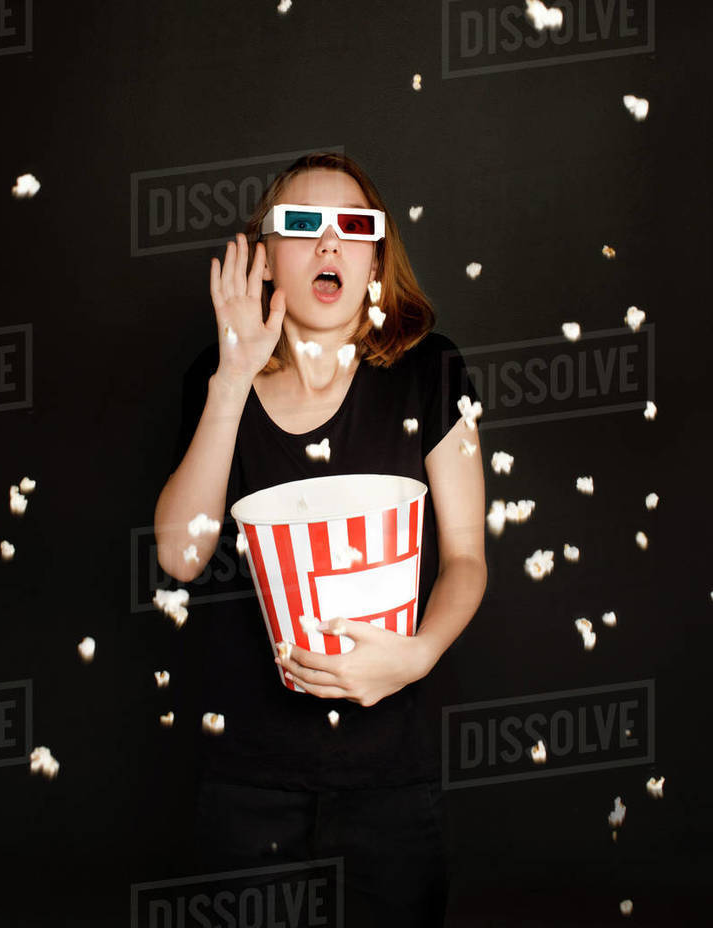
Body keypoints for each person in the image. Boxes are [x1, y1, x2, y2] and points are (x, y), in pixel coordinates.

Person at [154, 150, 487, 926]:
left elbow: (467, 556)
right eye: (303, 226)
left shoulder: (429, 373)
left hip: (388, 779)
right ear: (265, 257)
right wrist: (232, 378)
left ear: (377, 257)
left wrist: (420, 652)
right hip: (246, 779)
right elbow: (179, 554)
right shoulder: (217, 378)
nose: (329, 243)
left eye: (353, 227)